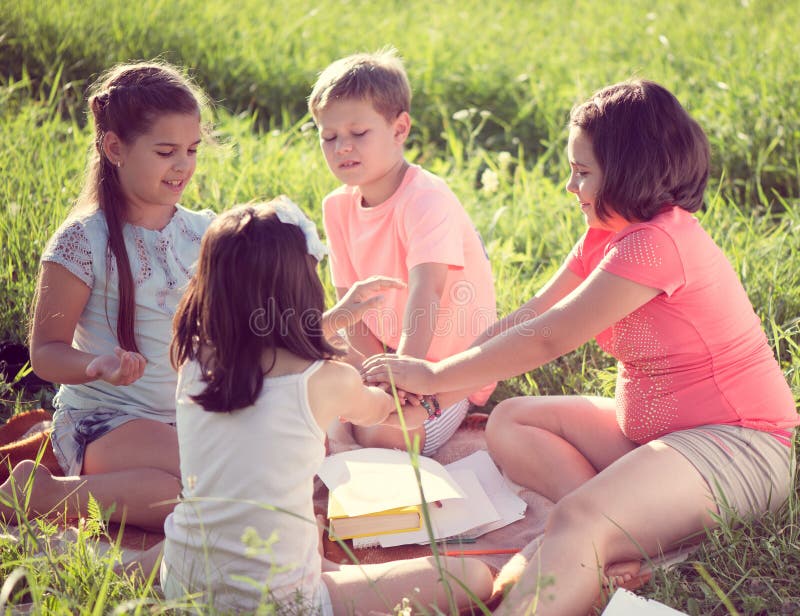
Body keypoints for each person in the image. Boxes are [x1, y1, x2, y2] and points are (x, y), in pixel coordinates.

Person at [362, 79, 799, 615]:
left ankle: (591, 536)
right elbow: (529, 316)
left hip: (740, 447)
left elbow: (550, 337)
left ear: (630, 171)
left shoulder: (658, 242)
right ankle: (613, 539)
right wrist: (437, 390)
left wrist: (430, 378)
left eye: (583, 172)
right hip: (653, 438)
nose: (570, 186)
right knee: (511, 421)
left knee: (573, 521)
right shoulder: (607, 230)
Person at [160, 198, 492, 614]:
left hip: (181, 583)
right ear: (303, 285)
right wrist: (411, 377)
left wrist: (332, 321)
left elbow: (258, 342)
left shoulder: (192, 358)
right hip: (283, 604)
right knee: (474, 577)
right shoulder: (325, 379)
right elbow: (383, 407)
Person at [0, 62, 214, 531]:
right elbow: (46, 354)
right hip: (105, 421)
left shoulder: (203, 232)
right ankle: (42, 495)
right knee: (217, 487)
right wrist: (95, 364)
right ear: (115, 147)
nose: (184, 165)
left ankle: (57, 494)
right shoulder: (84, 240)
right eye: (165, 151)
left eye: (192, 150)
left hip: (183, 419)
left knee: (199, 499)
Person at [308, 48, 498, 456]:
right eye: (329, 136)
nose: (342, 147)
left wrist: (403, 379)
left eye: (358, 134)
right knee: (307, 394)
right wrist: (375, 379)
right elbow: (353, 311)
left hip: (443, 370)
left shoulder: (426, 199)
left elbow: (425, 293)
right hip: (387, 354)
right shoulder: (336, 208)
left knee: (380, 433)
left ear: (399, 129)